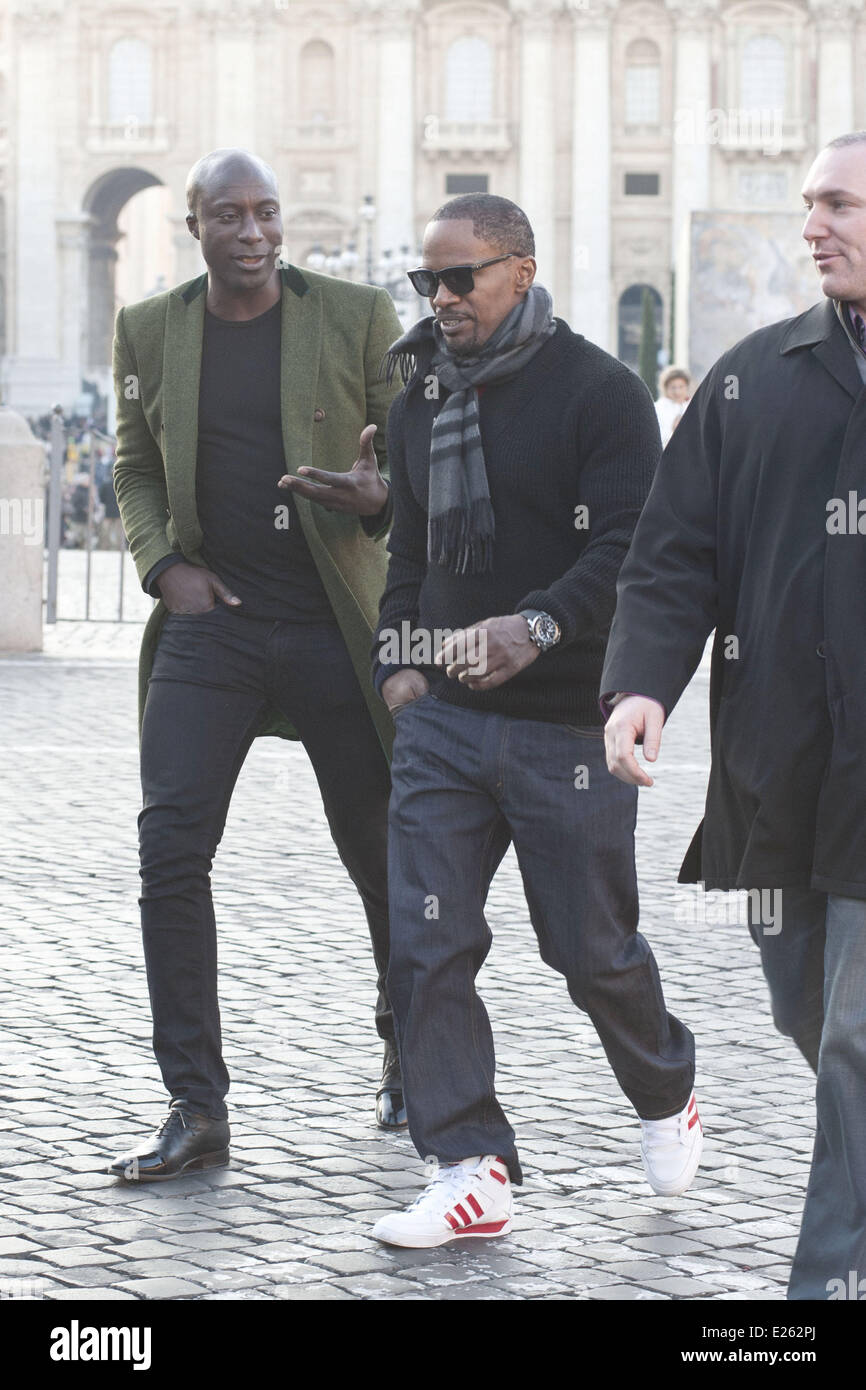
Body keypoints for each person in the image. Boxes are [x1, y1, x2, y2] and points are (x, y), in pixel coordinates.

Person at [368, 193, 701, 1249]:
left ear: (519, 270)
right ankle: (468, 1166)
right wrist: (396, 660)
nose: (441, 298)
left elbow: (631, 546)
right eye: (427, 281)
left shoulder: (597, 392)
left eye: (460, 278)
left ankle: (665, 1089)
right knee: (426, 946)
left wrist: (539, 625)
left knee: (589, 950)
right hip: (443, 725)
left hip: (566, 727)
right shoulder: (421, 389)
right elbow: (410, 546)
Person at [601, 132, 866, 1300]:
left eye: (839, 205)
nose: (812, 225)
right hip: (777, 764)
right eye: (809, 204)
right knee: (797, 999)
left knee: (857, 1035)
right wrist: (641, 683)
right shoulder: (751, 376)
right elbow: (671, 552)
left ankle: (816, 1291)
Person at [108, 148, 406, 1182]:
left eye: (266, 213)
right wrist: (162, 567)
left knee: (380, 850)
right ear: (192, 223)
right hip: (212, 628)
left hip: (333, 620)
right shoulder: (150, 329)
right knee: (168, 850)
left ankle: (404, 1034)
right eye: (228, 214)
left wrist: (380, 497)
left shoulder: (357, 315)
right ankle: (197, 1103)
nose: (252, 232)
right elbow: (134, 467)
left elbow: (408, 452)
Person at [653, 365, 691, 447]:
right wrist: (674, 430)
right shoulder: (658, 408)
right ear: (665, 388)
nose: (677, 392)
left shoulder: (691, 406)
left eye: (681, 387)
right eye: (673, 387)